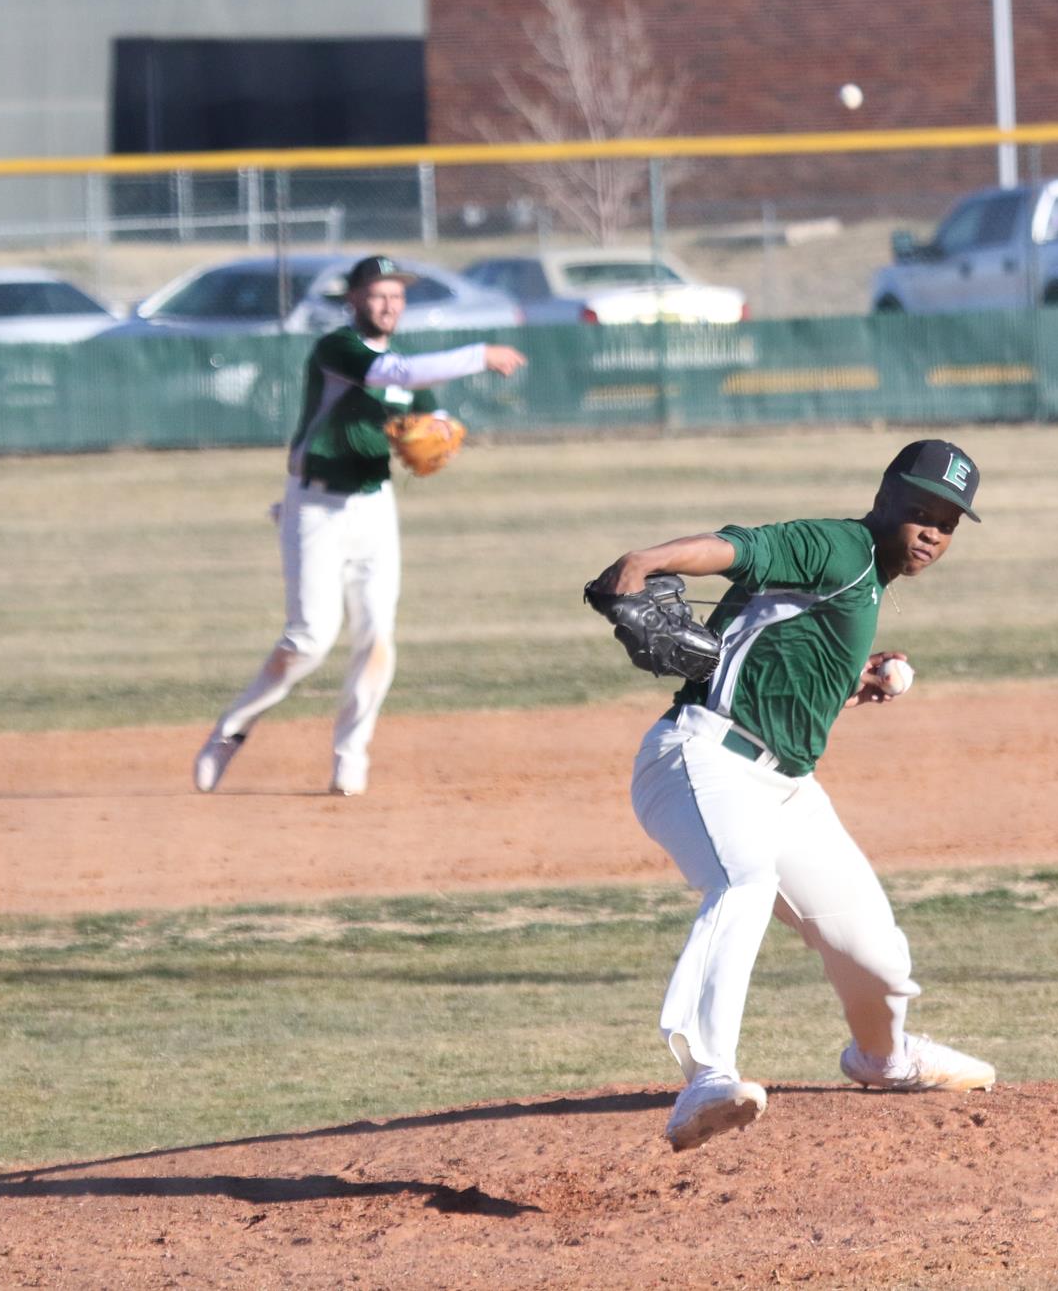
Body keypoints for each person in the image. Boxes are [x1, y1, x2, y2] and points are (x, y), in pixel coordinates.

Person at [586, 439, 997, 1152]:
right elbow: (740, 548)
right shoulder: (838, 545)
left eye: (949, 521)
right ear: (885, 499)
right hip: (700, 758)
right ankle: (707, 1076)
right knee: (744, 880)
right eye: (920, 510)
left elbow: (776, 658)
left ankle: (884, 1058)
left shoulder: (865, 579)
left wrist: (849, 681)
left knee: (872, 948)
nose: (932, 530)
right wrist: (642, 564)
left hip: (783, 785)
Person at [193, 254, 524, 796]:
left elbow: (428, 407)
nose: (389, 304)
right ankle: (232, 730)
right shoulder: (338, 350)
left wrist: (440, 430)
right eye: (377, 294)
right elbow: (396, 374)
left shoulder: (404, 369)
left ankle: (351, 758)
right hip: (315, 508)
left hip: (373, 508)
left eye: (397, 295)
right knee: (308, 641)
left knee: (376, 638)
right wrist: (480, 355)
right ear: (353, 300)